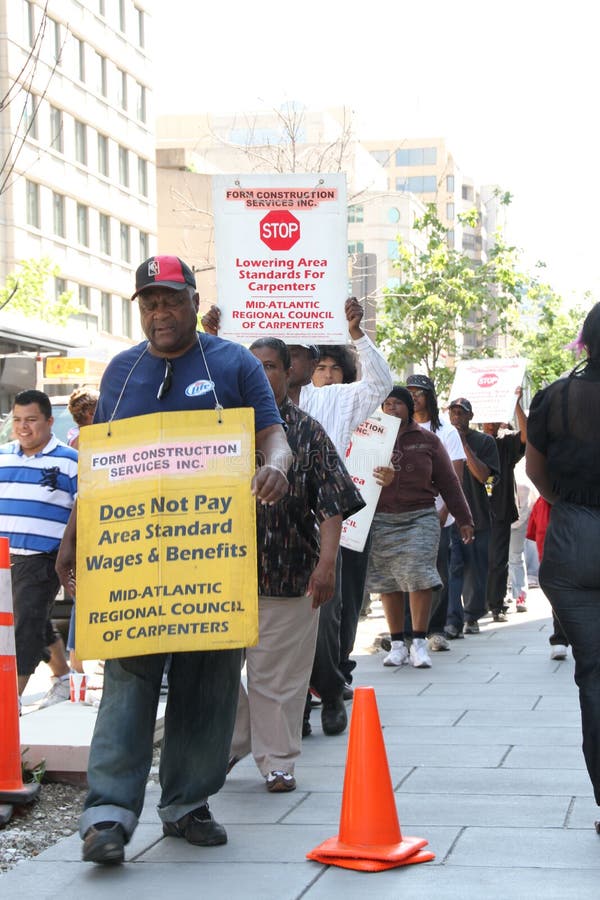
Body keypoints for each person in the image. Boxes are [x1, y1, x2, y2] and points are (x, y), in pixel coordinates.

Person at [55, 255, 291, 865]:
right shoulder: (121, 371)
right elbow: (99, 465)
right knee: (128, 685)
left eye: (171, 300)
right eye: (149, 303)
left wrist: (276, 468)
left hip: (212, 553)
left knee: (208, 684)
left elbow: (273, 434)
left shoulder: (233, 362)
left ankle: (187, 804)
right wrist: (73, 537)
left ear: (193, 300)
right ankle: (107, 815)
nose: (160, 313)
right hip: (134, 559)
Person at [202, 299, 392, 735]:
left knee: (324, 630)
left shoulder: (331, 404)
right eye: (258, 365)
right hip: (247, 551)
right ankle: (289, 716)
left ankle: (328, 687)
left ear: (298, 366)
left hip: (317, 541)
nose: (265, 373)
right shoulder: (231, 416)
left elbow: (380, 383)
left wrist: (356, 333)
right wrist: (211, 338)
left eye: (279, 362)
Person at [228, 338, 364, 790]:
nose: (259, 374)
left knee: (279, 679)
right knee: (214, 673)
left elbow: (332, 504)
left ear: (288, 372)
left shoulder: (307, 431)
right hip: (218, 578)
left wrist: (326, 566)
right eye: (252, 366)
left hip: (286, 574)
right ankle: (235, 740)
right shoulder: (217, 431)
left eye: (268, 366)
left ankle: (278, 762)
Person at [526, 302, 600, 832]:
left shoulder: (555, 396)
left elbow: (536, 472)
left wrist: (572, 505)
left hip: (573, 542)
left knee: (594, 676)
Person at [369, 387, 474, 669]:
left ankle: (418, 642)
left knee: (419, 574)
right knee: (388, 581)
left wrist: (464, 518)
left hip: (420, 517)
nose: (391, 408)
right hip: (382, 519)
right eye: (386, 404)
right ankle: (398, 644)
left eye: (398, 404)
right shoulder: (371, 437)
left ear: (408, 408)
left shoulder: (428, 440)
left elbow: (450, 482)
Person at [0, 390, 78, 707]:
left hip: (44, 558)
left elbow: (83, 511)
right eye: (17, 420)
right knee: (33, 619)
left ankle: (9, 701)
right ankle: (62, 678)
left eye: (31, 420)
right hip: (6, 559)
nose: (23, 427)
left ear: (48, 421)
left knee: (26, 626)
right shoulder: (3, 456)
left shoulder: (71, 462)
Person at [405, 374, 465, 651]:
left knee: (435, 571)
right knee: (403, 571)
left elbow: (456, 476)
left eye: (420, 392)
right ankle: (406, 631)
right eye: (410, 392)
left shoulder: (446, 432)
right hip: (401, 513)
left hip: (436, 513)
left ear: (430, 395)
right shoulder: (396, 429)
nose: (415, 397)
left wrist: (444, 512)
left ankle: (436, 629)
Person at [446, 397, 500, 637]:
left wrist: (463, 445)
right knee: (453, 568)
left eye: (461, 413)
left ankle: (472, 615)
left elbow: (484, 476)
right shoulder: (443, 438)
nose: (456, 417)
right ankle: (452, 620)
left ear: (470, 416)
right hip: (450, 517)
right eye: (453, 413)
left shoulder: (485, 442)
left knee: (476, 570)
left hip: (477, 515)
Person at [483, 387, 528, 620]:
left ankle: (496, 604)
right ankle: (475, 605)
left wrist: (517, 403)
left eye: (494, 419)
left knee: (498, 561)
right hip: (475, 511)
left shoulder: (505, 443)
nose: (489, 424)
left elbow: (526, 436)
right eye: (485, 419)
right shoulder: (470, 441)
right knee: (474, 561)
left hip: (499, 510)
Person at [66, 387, 100, 675]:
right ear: (91, 413)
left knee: (84, 596)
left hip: (87, 529)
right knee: (86, 595)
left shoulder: (76, 441)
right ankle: (76, 665)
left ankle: (77, 665)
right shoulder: (91, 442)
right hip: (92, 527)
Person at [526, 495, 570, 659]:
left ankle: (560, 640)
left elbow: (532, 531)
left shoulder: (542, 501)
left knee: (560, 596)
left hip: (551, 552)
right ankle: (561, 639)